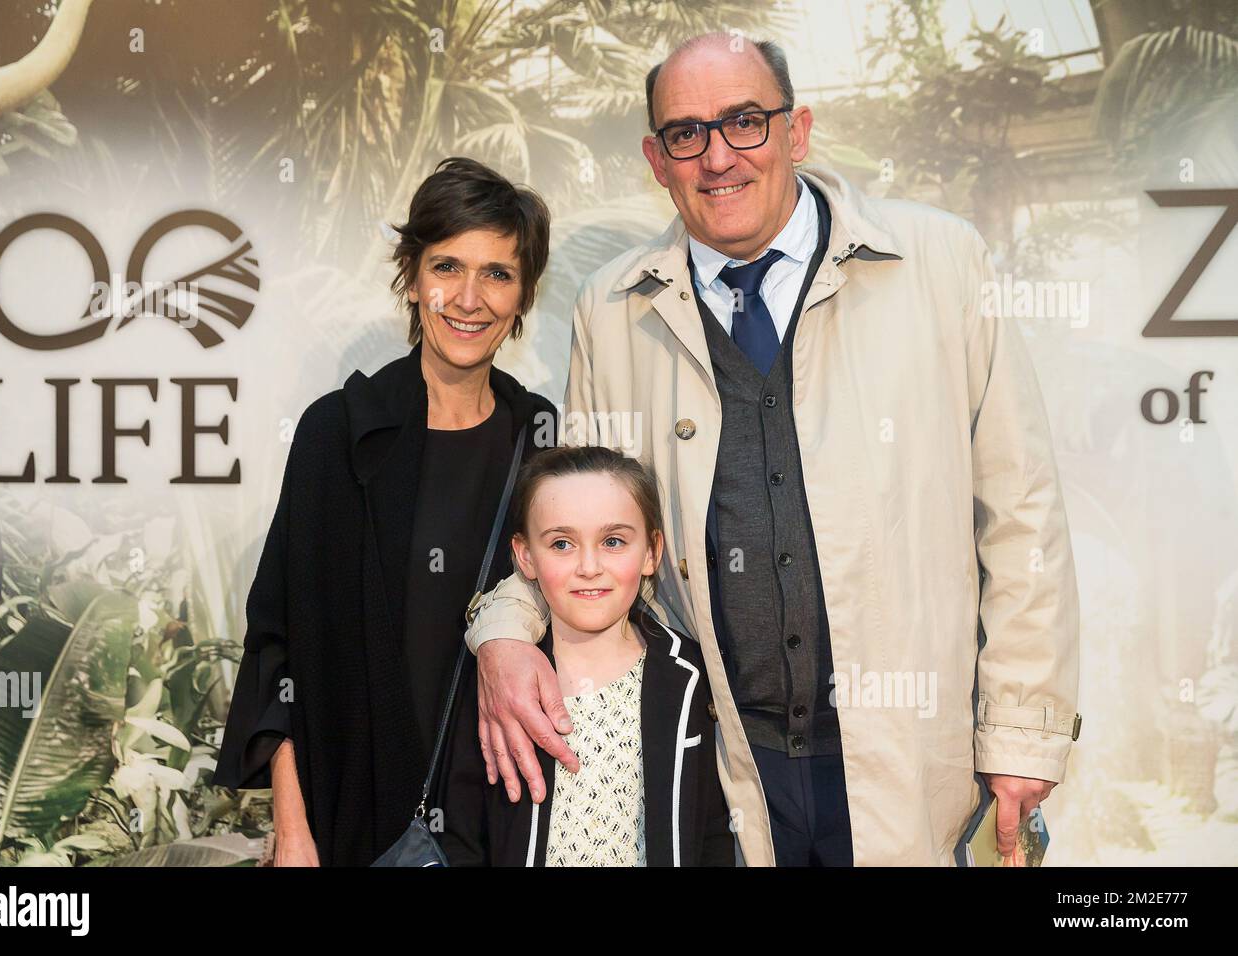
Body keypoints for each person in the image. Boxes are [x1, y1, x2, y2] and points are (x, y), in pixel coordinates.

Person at [462, 33, 1082, 866]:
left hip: (904, 757)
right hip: (715, 763)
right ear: (656, 158)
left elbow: (1021, 512)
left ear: (798, 131)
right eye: (686, 133)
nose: (718, 156)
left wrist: (1020, 733)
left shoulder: (940, 263)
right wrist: (502, 631)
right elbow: (575, 528)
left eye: (745, 122)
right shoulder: (609, 309)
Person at [212, 156, 558, 866]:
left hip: (509, 819)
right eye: (446, 267)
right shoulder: (339, 432)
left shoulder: (540, 435)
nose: (469, 298)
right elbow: (280, 646)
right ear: (411, 275)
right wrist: (295, 834)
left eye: (498, 274)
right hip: (358, 820)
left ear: (524, 296)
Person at [438, 445, 733, 866]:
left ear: (651, 551)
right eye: (562, 544)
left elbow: (711, 833)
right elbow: (463, 837)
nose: (589, 566)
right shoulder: (501, 679)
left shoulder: (688, 673)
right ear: (525, 556)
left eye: (613, 541)